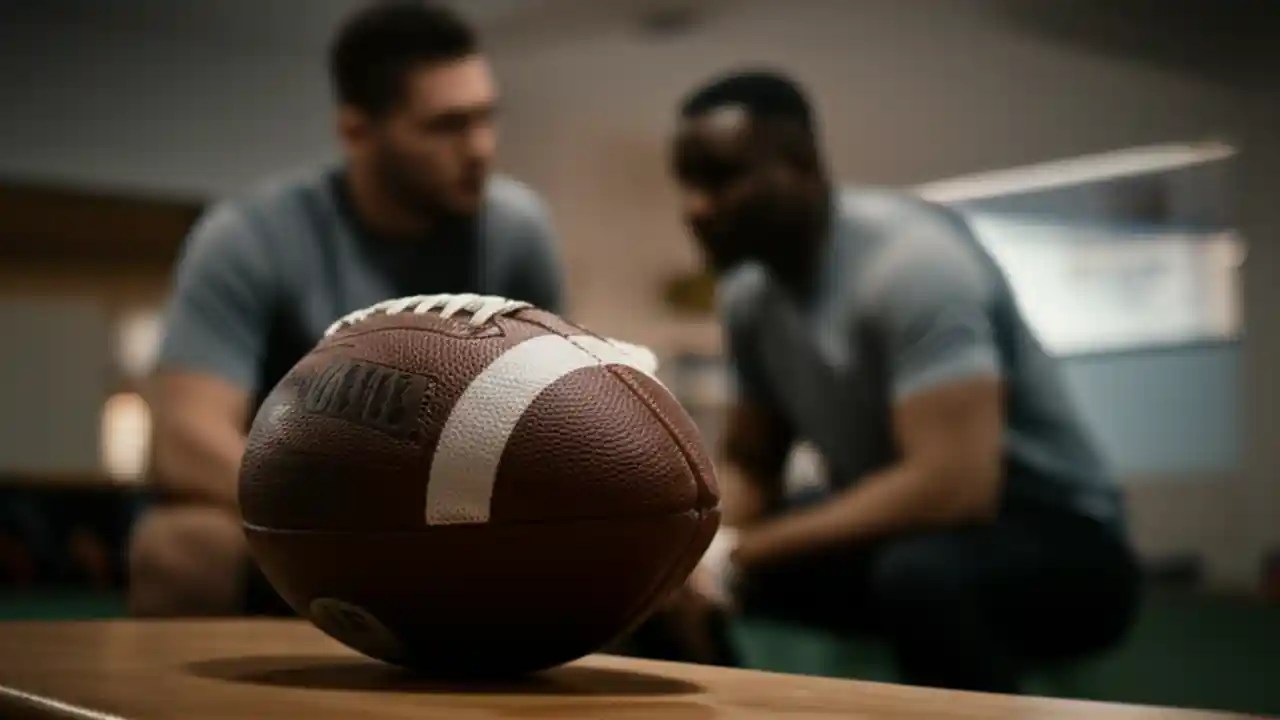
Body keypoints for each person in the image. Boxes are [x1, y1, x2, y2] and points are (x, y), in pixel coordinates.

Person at [667, 70, 1139, 692]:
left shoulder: (913, 267)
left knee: (921, 576)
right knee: (664, 583)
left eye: (724, 179)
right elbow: (755, 461)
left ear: (802, 164)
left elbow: (955, 487)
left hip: (1064, 541)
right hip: (908, 535)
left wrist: (741, 553)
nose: (698, 207)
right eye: (691, 184)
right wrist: (702, 554)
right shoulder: (749, 297)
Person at [129, 1, 564, 617]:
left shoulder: (518, 232)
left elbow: (550, 416)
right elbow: (186, 440)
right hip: (303, 522)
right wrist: (363, 524)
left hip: (462, 525)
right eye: (446, 126)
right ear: (357, 131)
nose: (481, 148)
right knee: (178, 549)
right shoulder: (251, 236)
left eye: (486, 118)